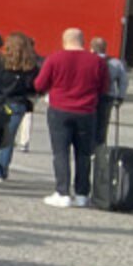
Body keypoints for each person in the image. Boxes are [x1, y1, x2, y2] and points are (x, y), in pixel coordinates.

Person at [36, 27, 108, 207]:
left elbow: (40, 84)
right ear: (84, 41)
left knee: (60, 152)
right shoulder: (97, 61)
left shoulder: (54, 58)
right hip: (86, 111)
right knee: (83, 153)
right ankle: (82, 194)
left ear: (64, 41)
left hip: (59, 110)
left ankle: (62, 192)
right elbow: (104, 87)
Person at [0, 31, 40, 181]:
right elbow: (34, 88)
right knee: (9, 139)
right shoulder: (31, 67)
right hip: (18, 104)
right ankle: (1, 172)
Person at [91, 35, 127, 146]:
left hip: (89, 96)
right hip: (107, 97)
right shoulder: (116, 63)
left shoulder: (87, 59)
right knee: (102, 125)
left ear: (91, 48)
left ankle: (87, 148)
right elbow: (123, 81)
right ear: (106, 48)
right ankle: (100, 149)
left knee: (87, 123)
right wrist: (120, 97)